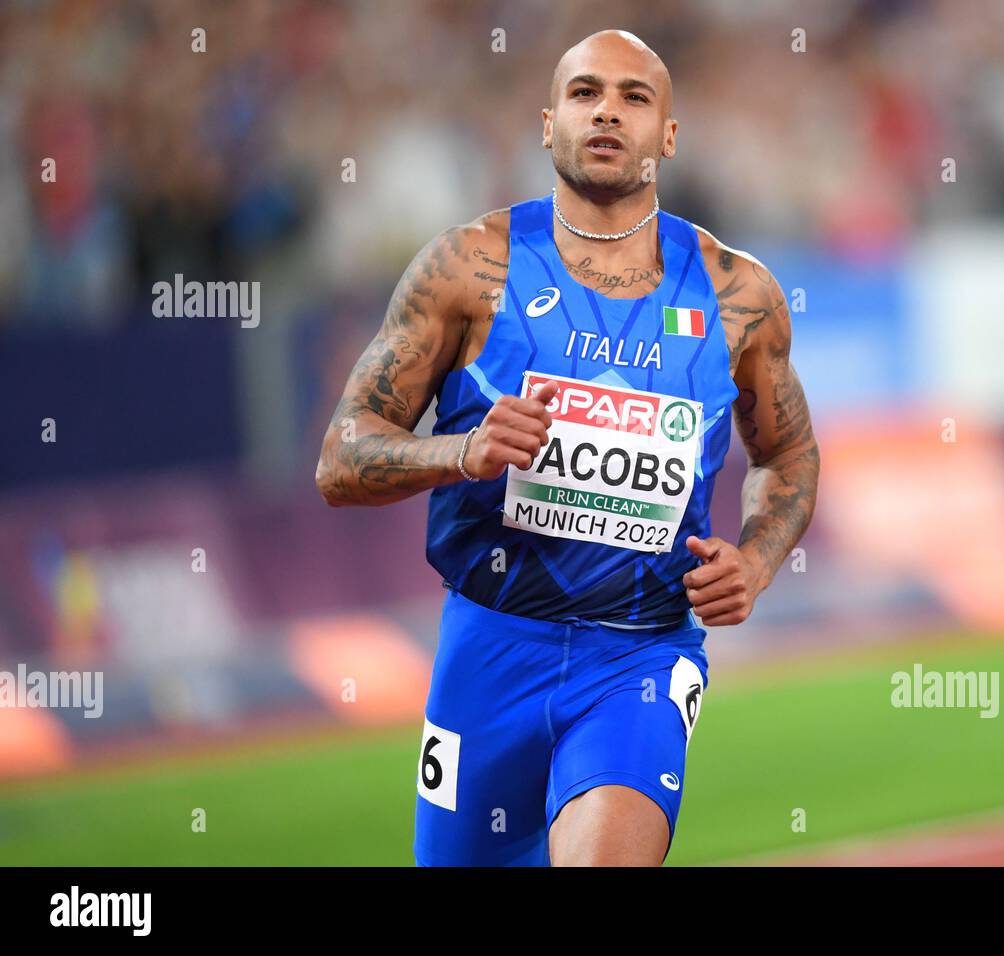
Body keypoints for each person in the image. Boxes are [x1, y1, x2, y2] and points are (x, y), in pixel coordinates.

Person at [315, 29, 819, 866]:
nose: (607, 113)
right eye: (585, 94)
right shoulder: (468, 269)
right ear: (548, 124)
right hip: (488, 649)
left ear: (669, 135)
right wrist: (463, 452)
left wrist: (757, 562)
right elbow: (340, 458)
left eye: (634, 96)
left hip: (641, 653)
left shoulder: (740, 296)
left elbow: (788, 455)